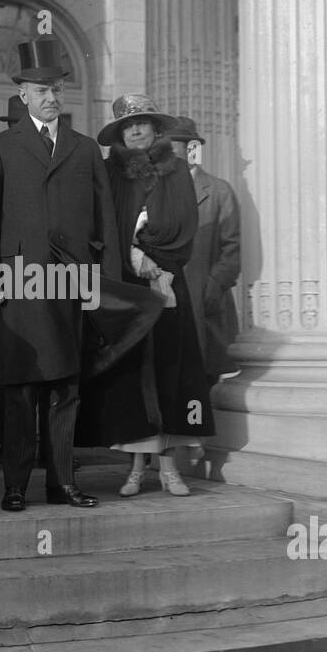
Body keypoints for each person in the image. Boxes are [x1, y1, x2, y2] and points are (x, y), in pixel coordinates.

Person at [0, 37, 122, 512]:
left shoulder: (83, 150)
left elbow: (107, 223)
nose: (51, 97)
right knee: (19, 389)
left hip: (70, 285)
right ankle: (15, 485)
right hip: (16, 283)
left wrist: (104, 283)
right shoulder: (0, 148)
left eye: (56, 89)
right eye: (41, 91)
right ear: (23, 96)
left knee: (65, 389)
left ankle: (61, 483)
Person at [77, 95, 214, 497]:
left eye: (142, 124)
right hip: (127, 290)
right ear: (120, 133)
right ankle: (135, 467)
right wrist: (129, 253)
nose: (135, 131)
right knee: (132, 377)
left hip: (167, 285)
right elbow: (100, 225)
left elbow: (183, 228)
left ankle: (170, 469)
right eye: (127, 126)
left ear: (156, 129)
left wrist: (152, 251)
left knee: (170, 373)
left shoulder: (175, 173)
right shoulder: (108, 174)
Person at [170, 115, 241, 482]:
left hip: (206, 305)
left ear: (191, 150)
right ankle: (175, 454)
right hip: (170, 302)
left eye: (174, 146)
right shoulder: (159, 191)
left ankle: (202, 451)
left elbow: (231, 251)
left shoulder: (219, 191)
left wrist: (210, 291)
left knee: (204, 376)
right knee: (174, 376)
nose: (167, 153)